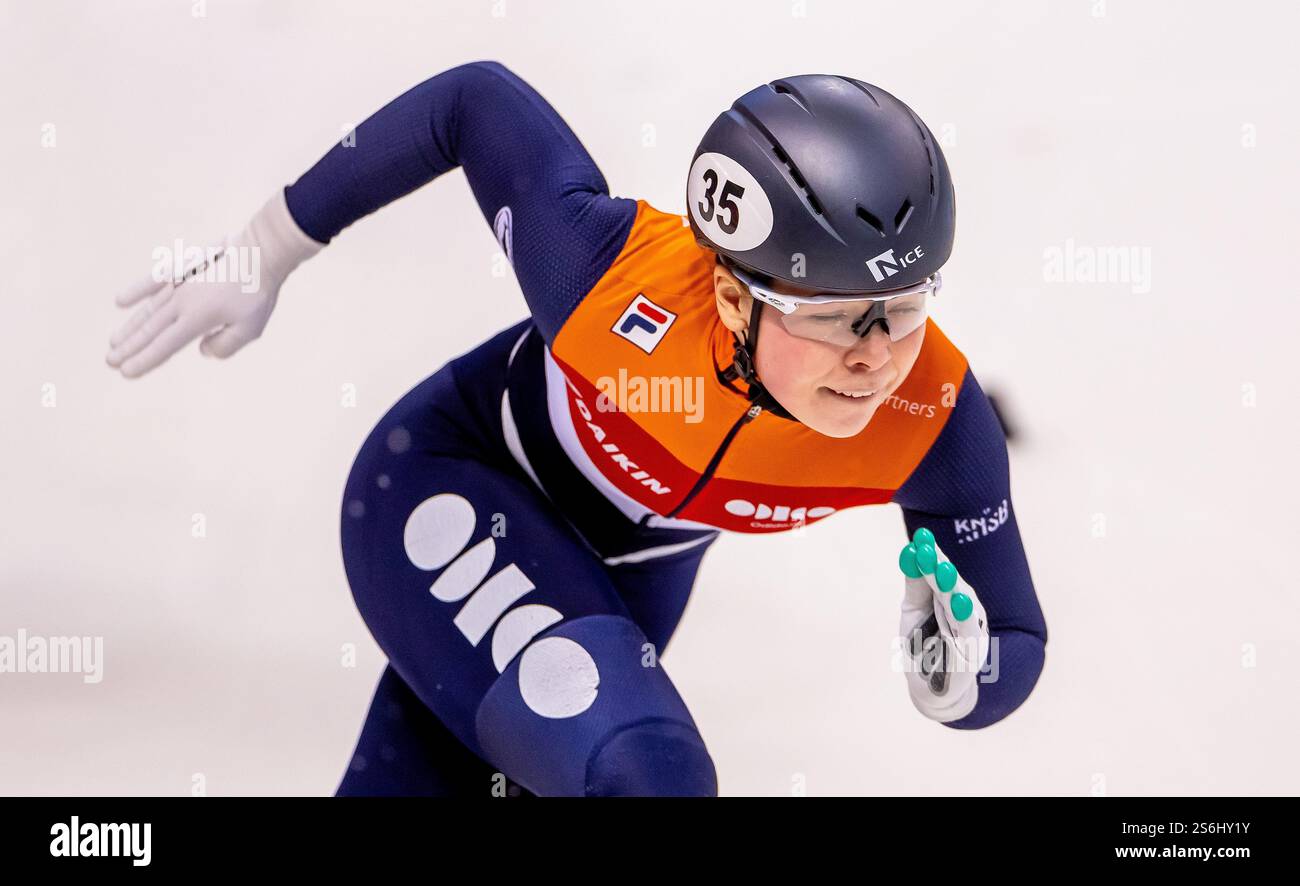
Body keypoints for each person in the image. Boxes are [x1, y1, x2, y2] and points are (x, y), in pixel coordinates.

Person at [106, 62, 1048, 797]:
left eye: (906, 303)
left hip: (623, 592)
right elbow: (471, 103)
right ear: (730, 294)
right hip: (458, 482)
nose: (876, 355)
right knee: (646, 776)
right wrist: (269, 246)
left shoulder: (935, 421)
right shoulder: (606, 274)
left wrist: (963, 683)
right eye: (837, 315)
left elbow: (1014, 636)